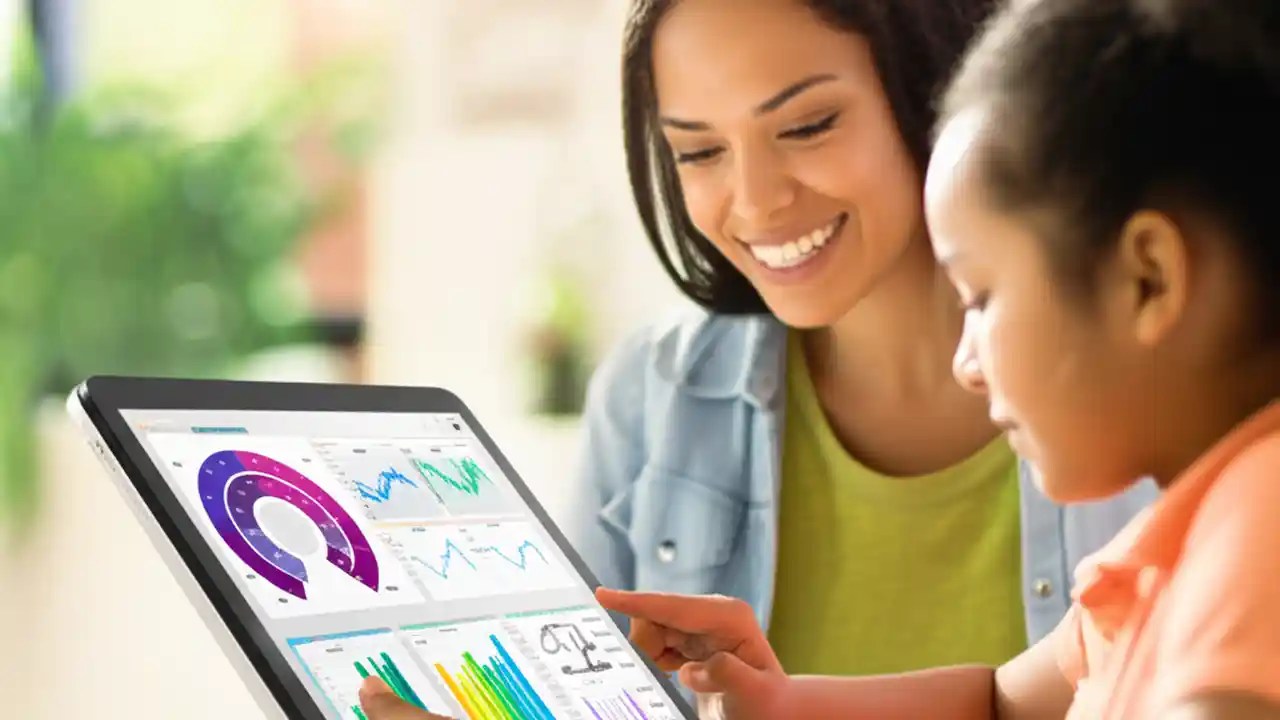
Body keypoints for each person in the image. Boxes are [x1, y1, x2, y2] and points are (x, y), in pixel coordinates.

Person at [593, 0, 1280, 717]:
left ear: (1149, 279)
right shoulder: (1162, 553)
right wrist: (782, 705)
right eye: (699, 150)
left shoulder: (1254, 544)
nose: (968, 363)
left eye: (981, 298)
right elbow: (995, 704)